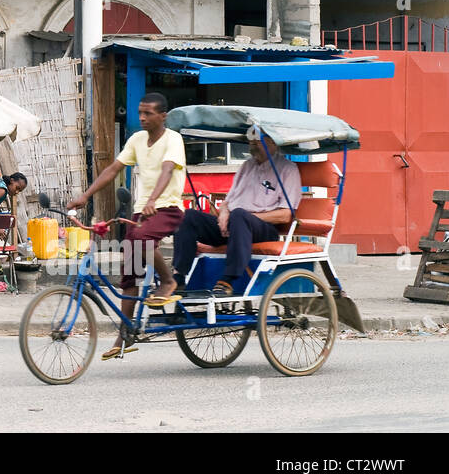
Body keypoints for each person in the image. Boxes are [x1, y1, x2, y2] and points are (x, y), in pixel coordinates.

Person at [67, 92, 185, 358]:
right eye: (140, 113)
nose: (142, 117)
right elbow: (113, 169)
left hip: (167, 209)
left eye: (148, 113)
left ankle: (167, 281)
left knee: (142, 240)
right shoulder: (137, 140)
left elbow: (167, 170)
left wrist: (153, 200)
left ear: (162, 116)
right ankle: (124, 335)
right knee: (129, 275)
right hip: (141, 214)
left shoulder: (173, 140)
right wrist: (86, 196)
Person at [171, 133, 302, 297]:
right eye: (251, 140)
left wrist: (243, 218)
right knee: (187, 216)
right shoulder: (247, 166)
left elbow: (285, 215)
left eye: (258, 140)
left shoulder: (287, 169)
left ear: (272, 141)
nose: (252, 144)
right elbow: (228, 200)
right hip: (235, 225)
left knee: (240, 215)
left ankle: (228, 279)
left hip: (264, 229)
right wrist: (224, 214)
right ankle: (179, 276)